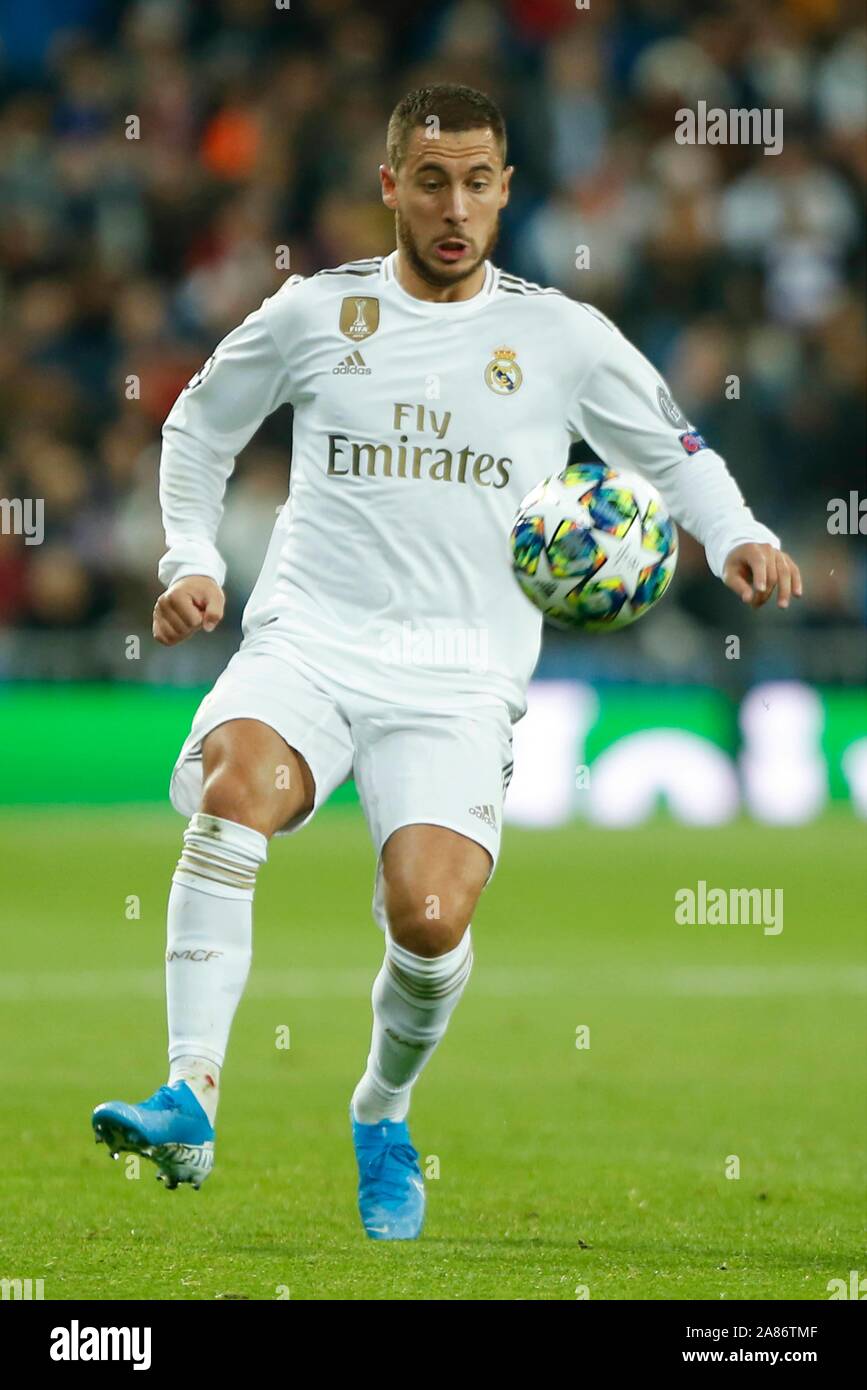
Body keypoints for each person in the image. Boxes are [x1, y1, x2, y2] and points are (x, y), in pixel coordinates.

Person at [92, 84, 801, 1240]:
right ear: (390, 187)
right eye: (431, 180)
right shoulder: (314, 312)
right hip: (308, 639)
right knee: (237, 790)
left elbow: (677, 449)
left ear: (507, 189)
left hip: (462, 676)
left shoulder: (561, 337)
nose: (455, 204)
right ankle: (191, 1092)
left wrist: (739, 537)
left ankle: (382, 1111)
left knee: (426, 915)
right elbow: (200, 423)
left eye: (477, 180)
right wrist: (188, 555)